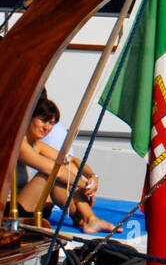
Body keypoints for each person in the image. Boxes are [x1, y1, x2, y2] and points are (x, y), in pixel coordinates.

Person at [16, 95, 113, 234]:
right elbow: (57, 172)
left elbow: (73, 160)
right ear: (29, 118)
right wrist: (85, 186)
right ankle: (87, 218)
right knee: (52, 172)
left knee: (66, 166)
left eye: (51, 123)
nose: (47, 127)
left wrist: (92, 177)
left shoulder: (37, 145)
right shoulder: (19, 144)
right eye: (43, 121)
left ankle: (86, 219)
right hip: (11, 210)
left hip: (31, 207)